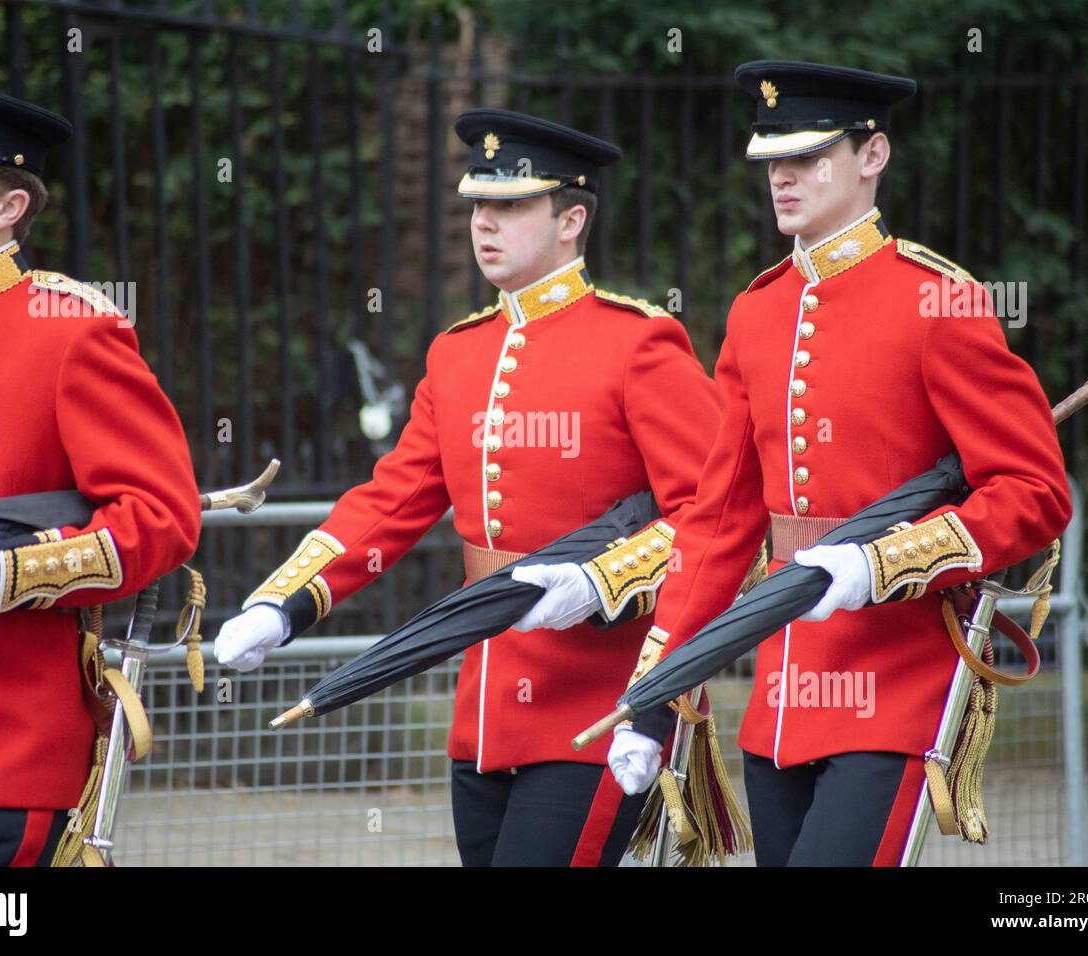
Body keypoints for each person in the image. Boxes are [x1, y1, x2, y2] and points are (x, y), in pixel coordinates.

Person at [215, 108, 718, 866]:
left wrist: (604, 579)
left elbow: (713, 518)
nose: (486, 223)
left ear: (571, 218)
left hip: (600, 703)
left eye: (512, 206)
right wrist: (280, 602)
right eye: (479, 204)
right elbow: (393, 500)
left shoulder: (638, 342)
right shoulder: (457, 354)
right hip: (485, 710)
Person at [606, 61, 1072, 866]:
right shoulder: (757, 310)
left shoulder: (938, 300)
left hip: (895, 685)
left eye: (810, 157)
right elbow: (721, 518)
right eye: (773, 160)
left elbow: (1033, 493)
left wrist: (883, 562)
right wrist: (657, 683)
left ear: (873, 155)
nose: (784, 177)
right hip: (781, 701)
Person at [0, 76, 200, 866]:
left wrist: (12, 570)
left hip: (1, 745)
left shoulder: (71, 329)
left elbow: (160, 517)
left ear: (8, 206)